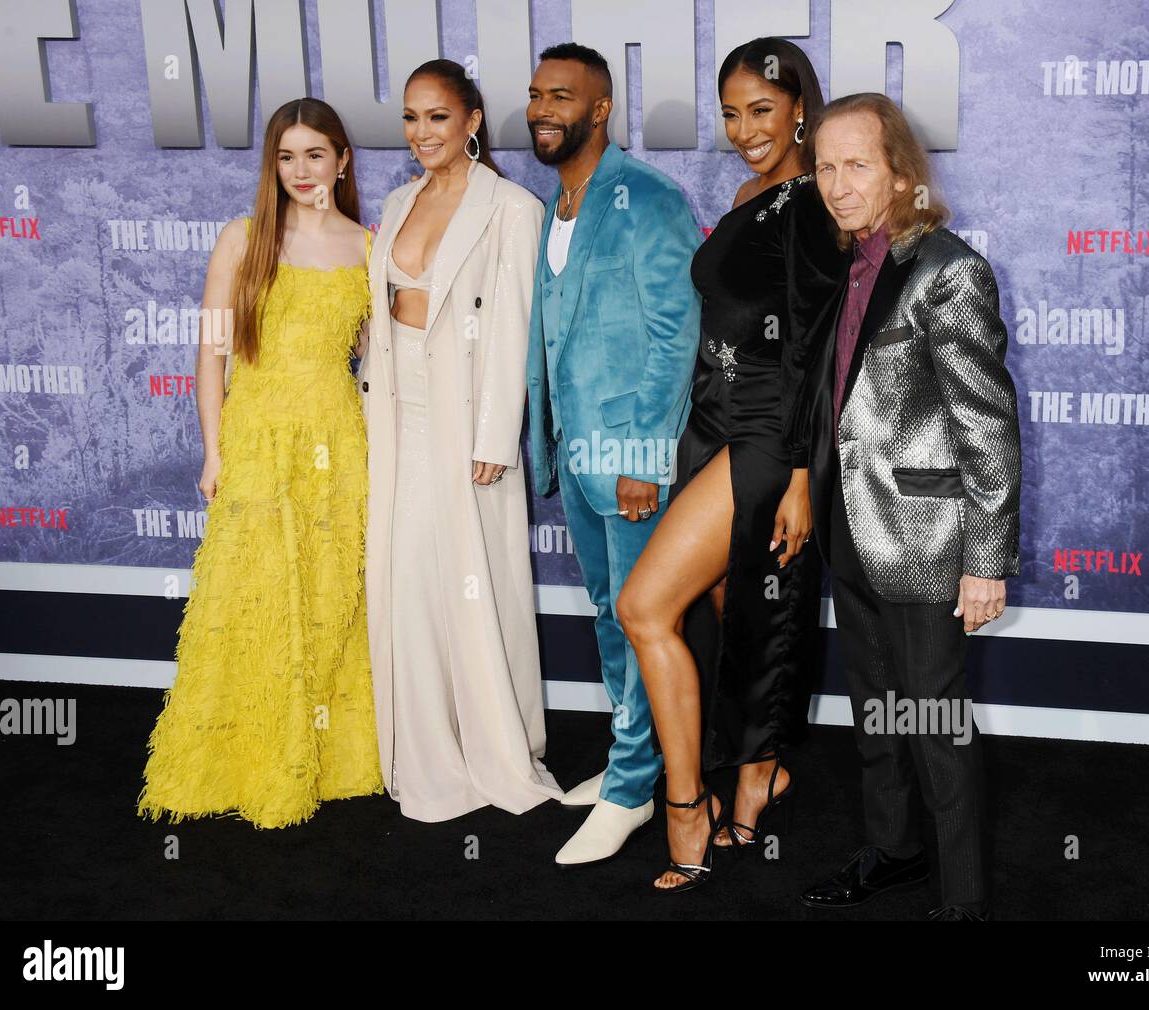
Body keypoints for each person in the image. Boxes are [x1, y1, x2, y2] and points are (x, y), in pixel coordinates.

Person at [616, 38, 843, 892]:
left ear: (798, 110)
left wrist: (797, 475)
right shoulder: (750, 192)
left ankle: (689, 810)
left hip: (764, 436)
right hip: (713, 427)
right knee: (736, 611)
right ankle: (759, 776)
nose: (746, 128)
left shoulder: (814, 201)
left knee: (645, 606)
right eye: (732, 112)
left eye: (762, 109)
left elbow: (820, 351)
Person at [797, 93, 1021, 921]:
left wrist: (986, 561)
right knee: (877, 717)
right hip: (852, 532)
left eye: (857, 164)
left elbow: (988, 429)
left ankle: (961, 902)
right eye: (824, 165)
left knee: (934, 725)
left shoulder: (948, 271)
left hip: (927, 543)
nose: (837, 183)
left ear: (900, 173)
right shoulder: (849, 263)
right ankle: (894, 853)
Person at [137, 98, 382, 829]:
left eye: (316, 155)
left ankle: (332, 759)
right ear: (271, 166)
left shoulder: (370, 246)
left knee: (332, 595)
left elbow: (373, 365)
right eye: (287, 156)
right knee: (253, 597)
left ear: (342, 160)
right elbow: (211, 351)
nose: (302, 171)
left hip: (339, 442)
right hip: (256, 436)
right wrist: (214, 450)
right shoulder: (241, 239)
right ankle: (242, 758)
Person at [359, 60, 562, 822]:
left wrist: (494, 433)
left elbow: (512, 324)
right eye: (411, 118)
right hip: (396, 412)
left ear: (472, 120)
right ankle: (423, 745)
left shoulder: (510, 207)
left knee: (476, 581)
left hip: (466, 411)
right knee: (404, 578)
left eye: (438, 117)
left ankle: (493, 750)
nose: (422, 134)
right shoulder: (397, 199)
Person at [524, 43, 701, 867]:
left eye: (562, 95)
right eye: (534, 95)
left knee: (641, 617)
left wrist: (643, 452)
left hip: (632, 462)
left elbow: (677, 337)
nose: (542, 109)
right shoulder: (555, 205)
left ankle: (633, 791)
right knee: (607, 611)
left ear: (600, 110)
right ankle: (631, 758)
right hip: (578, 455)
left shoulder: (650, 200)